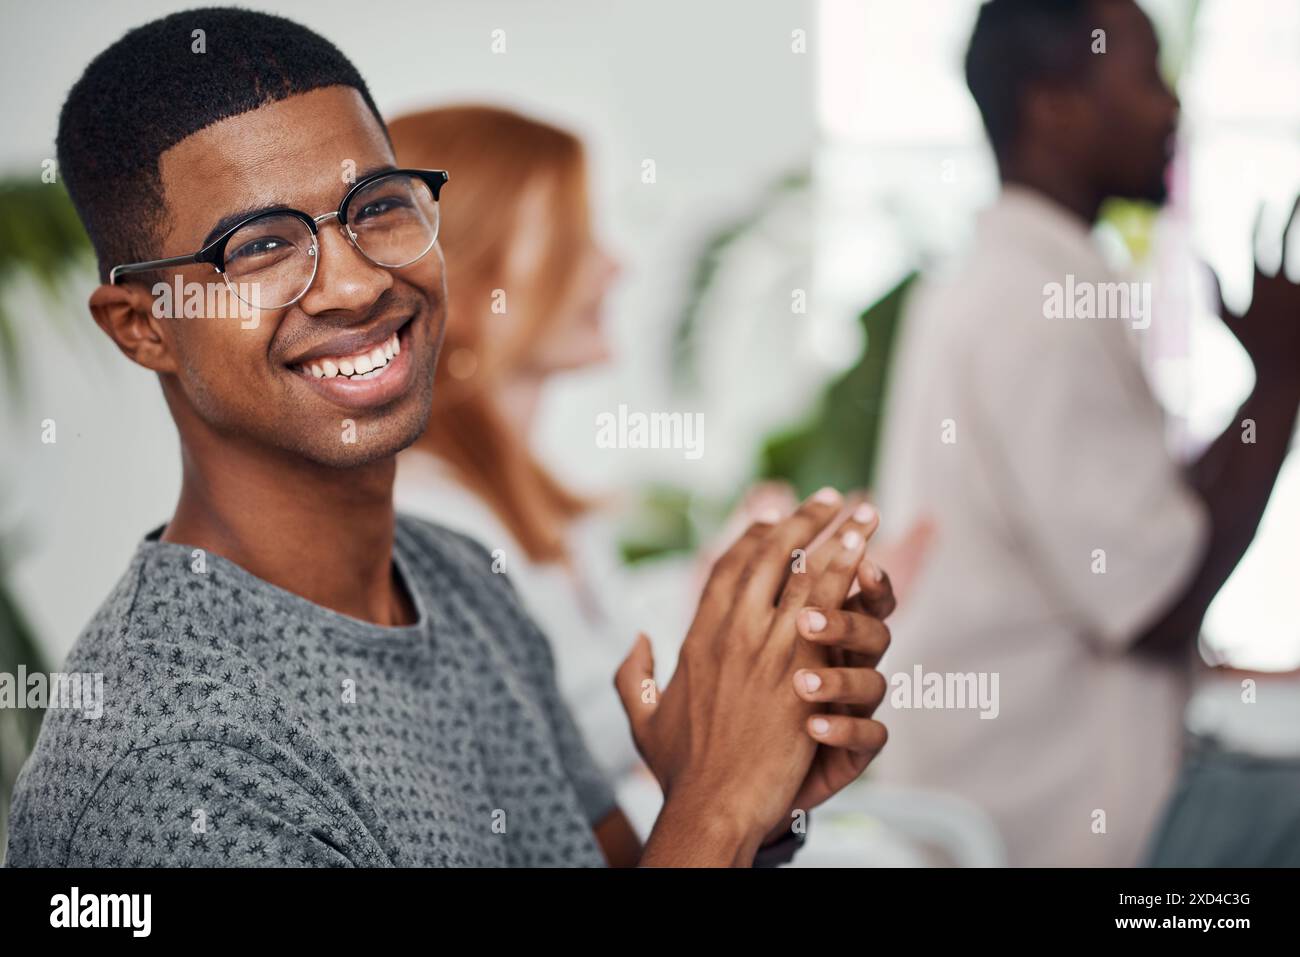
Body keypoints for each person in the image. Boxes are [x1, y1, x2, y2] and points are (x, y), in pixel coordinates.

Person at [3, 7, 896, 868]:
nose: (354, 284)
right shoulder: (173, 766)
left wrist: (745, 799)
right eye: (260, 245)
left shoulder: (464, 579)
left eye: (378, 205)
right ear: (140, 325)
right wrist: (717, 806)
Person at [873, 0, 1300, 866]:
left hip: (1043, 787)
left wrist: (1269, 383)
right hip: (1075, 827)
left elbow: (1151, 531)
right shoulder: (1036, 307)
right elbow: (1155, 601)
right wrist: (1283, 384)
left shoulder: (1016, 277)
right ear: (1053, 105)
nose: (1171, 106)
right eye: (1145, 76)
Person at [384, 105, 641, 783]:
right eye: (572, 243)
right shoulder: (427, 524)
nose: (617, 267)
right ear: (458, 285)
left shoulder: (529, 497)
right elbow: (553, 778)